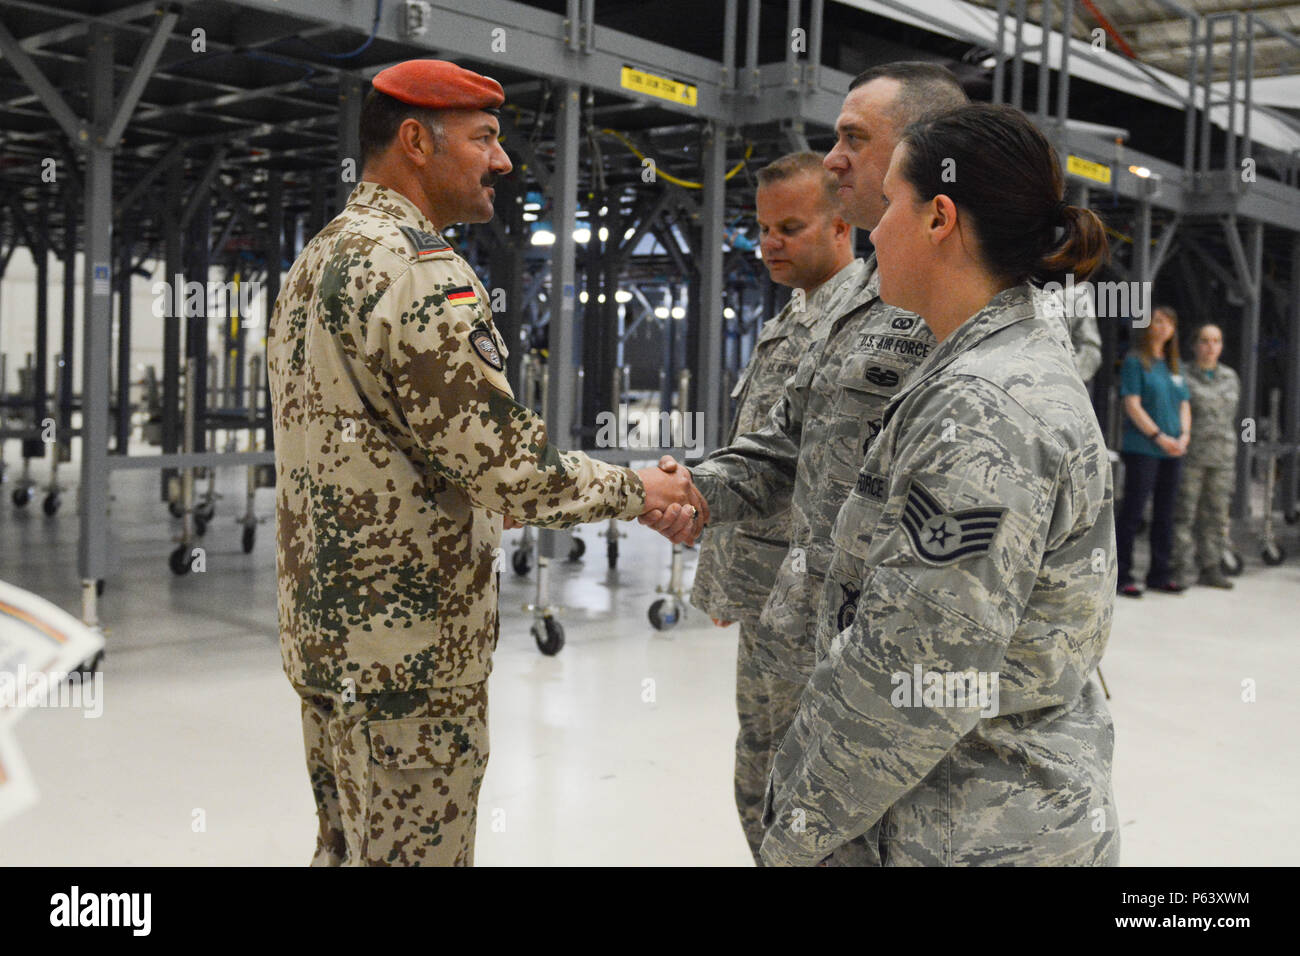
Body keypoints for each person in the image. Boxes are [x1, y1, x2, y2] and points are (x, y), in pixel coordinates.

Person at [266, 59, 704, 867]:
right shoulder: (421, 275)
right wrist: (637, 488)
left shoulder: (317, 259)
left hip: (328, 647)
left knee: (342, 849)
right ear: (414, 141)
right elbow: (509, 471)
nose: (502, 162)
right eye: (484, 139)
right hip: (409, 666)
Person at [757, 102, 1118, 866]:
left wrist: (791, 832)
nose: (873, 230)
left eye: (890, 204)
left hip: (970, 827)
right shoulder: (981, 367)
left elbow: (913, 675)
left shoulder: (983, 409)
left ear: (938, 219)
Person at [643, 62, 969, 864]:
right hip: (806, 626)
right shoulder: (858, 311)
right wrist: (682, 494)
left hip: (890, 675)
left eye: (853, 139)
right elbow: (784, 452)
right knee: (775, 807)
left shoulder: (971, 321)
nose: (833, 158)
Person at [689, 151, 857, 863]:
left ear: (845, 223)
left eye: (790, 226)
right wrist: (725, 575)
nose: (770, 243)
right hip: (765, 605)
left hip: (812, 609)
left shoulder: (863, 326)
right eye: (762, 228)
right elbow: (762, 453)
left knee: (804, 789)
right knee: (758, 772)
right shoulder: (793, 319)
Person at [1115, 305, 1191, 596]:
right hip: (1144, 447)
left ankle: (1160, 573)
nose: (1163, 327)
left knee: (1166, 513)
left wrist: (1183, 436)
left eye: (1168, 322)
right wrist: (1159, 436)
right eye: (1158, 321)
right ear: (1147, 326)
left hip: (1173, 449)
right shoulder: (1136, 361)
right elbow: (1132, 404)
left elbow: (1184, 404)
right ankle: (1123, 575)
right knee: (1133, 512)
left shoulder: (1174, 365)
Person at [1172, 323, 1240, 588]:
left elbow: (1238, 417)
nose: (1211, 347)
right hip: (1191, 454)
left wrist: (1247, 438)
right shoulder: (1182, 376)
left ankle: (1211, 565)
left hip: (1222, 456)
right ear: (1194, 344)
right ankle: (1180, 566)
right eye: (1205, 341)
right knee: (1185, 512)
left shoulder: (1230, 377)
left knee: (1217, 513)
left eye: (1216, 341)